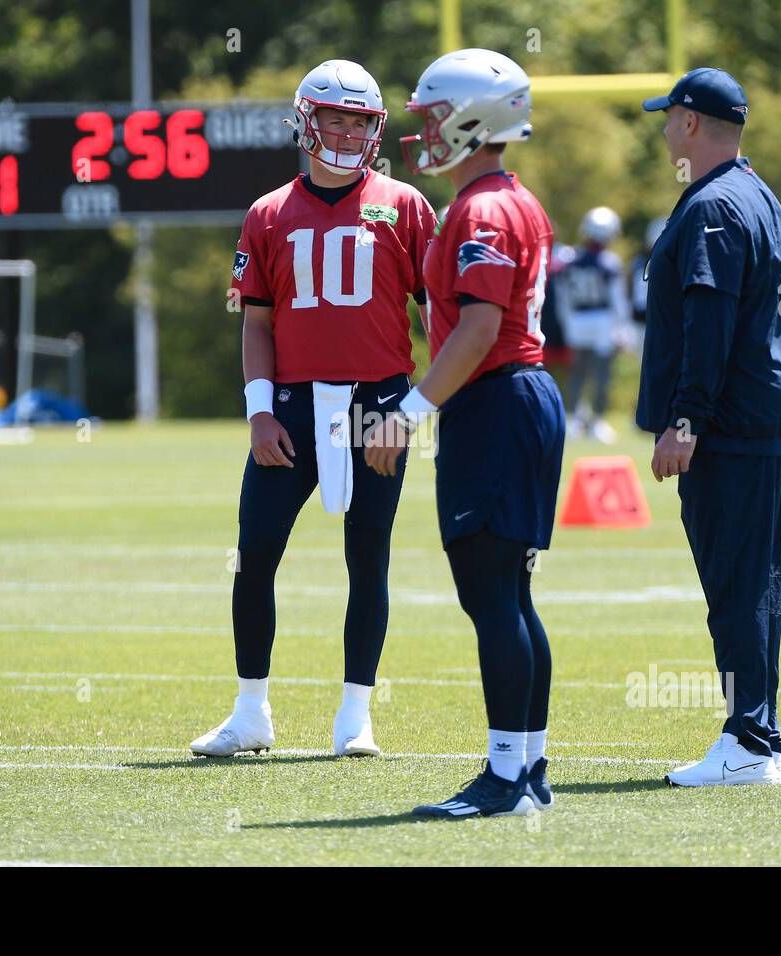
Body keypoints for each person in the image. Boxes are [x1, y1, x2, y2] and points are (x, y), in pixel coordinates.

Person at [189, 60, 438, 757]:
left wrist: (420, 406)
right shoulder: (268, 212)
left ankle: (356, 713)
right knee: (256, 554)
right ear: (306, 119)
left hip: (378, 402)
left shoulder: (406, 205)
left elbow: (437, 313)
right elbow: (257, 323)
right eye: (335, 117)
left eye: (360, 121)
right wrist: (258, 411)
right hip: (293, 405)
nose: (348, 131)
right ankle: (250, 711)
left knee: (369, 558)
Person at [364, 48, 564, 817]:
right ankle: (530, 767)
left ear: (474, 118)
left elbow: (479, 328)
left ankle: (507, 777)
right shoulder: (507, 200)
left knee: (492, 597)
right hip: (519, 398)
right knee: (510, 595)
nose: (425, 131)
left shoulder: (483, 209)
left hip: (496, 400)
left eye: (434, 115)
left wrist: (410, 411)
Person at [638, 68, 781, 786]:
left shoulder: (714, 206)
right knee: (752, 582)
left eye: (670, 116)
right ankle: (757, 734)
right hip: (754, 415)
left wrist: (685, 419)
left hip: (728, 424)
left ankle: (749, 742)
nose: (665, 127)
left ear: (693, 123)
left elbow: (710, 323)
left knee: (736, 585)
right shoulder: (755, 194)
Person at [558, 207, 631, 443]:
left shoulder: (571, 260)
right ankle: (595, 422)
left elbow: (563, 299)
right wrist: (622, 328)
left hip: (578, 320)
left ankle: (574, 421)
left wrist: (567, 324)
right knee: (600, 373)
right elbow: (618, 300)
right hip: (602, 320)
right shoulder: (609, 263)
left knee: (578, 373)